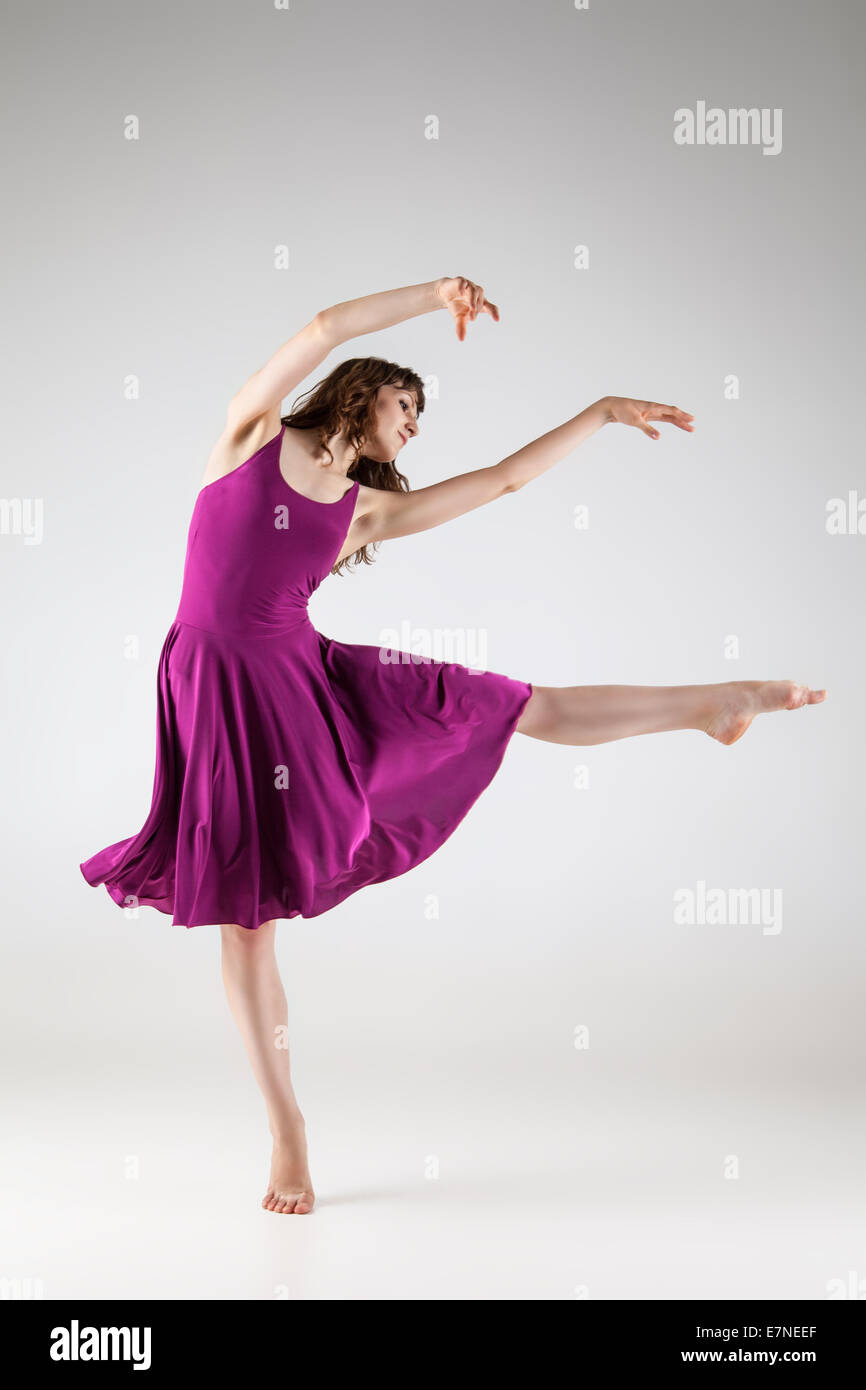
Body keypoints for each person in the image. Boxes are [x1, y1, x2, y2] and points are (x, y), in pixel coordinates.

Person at [80, 276, 826, 1215]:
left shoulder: (360, 511)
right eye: (409, 405)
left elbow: (504, 480)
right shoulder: (251, 434)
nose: (417, 427)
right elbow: (321, 325)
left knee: (513, 706)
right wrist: (435, 294)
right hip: (217, 700)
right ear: (363, 392)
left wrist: (598, 413)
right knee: (244, 919)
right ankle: (288, 1133)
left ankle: (714, 702)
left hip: (311, 694)